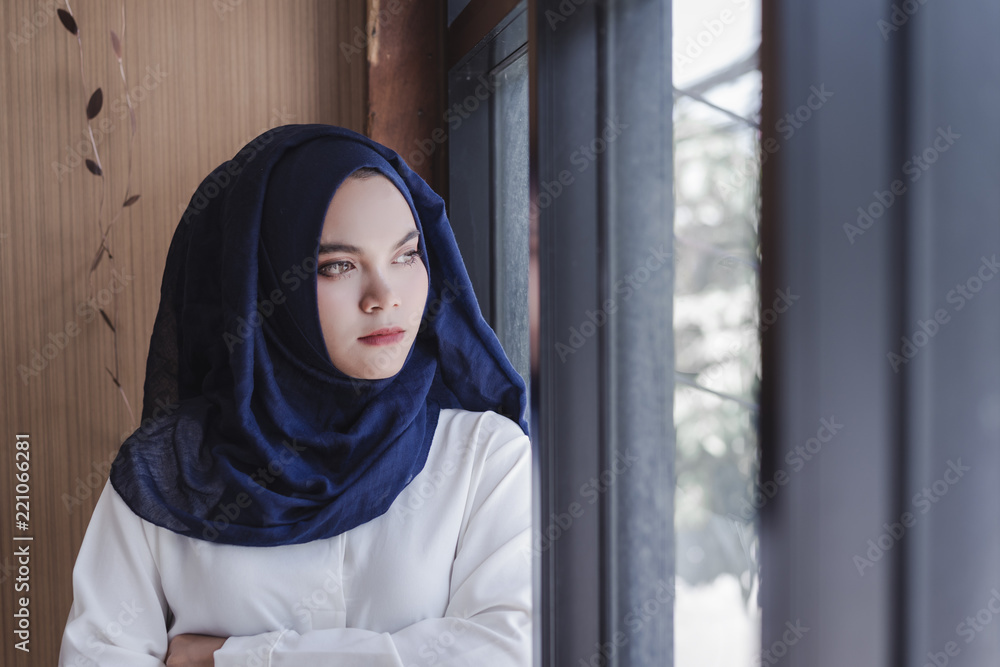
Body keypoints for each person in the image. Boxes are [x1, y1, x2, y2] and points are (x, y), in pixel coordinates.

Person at [58, 124, 532, 666]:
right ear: (261, 285)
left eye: (405, 255)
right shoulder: (164, 478)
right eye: (338, 266)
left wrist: (231, 660)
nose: (385, 296)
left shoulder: (484, 460)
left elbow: (511, 652)